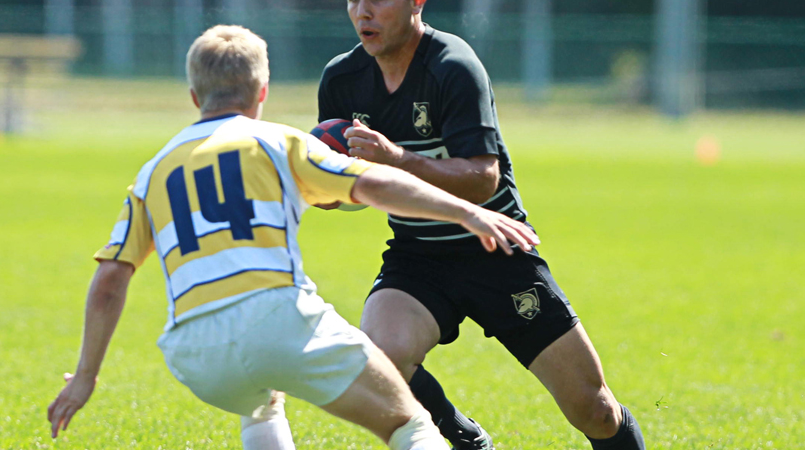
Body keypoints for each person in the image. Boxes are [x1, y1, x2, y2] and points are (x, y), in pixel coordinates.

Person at [46, 24, 541, 450]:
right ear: (262, 92)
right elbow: (376, 182)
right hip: (278, 320)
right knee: (409, 422)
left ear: (194, 97)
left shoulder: (153, 172)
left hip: (192, 351)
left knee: (260, 406)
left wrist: (86, 377)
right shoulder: (278, 141)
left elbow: (110, 279)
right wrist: (468, 214)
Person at [315, 0, 647, 450]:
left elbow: (482, 177)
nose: (363, 12)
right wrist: (323, 187)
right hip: (417, 256)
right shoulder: (342, 79)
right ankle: (465, 440)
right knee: (381, 359)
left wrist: (396, 158)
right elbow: (348, 188)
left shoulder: (453, 66)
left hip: (496, 249)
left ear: (416, 1)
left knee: (595, 409)